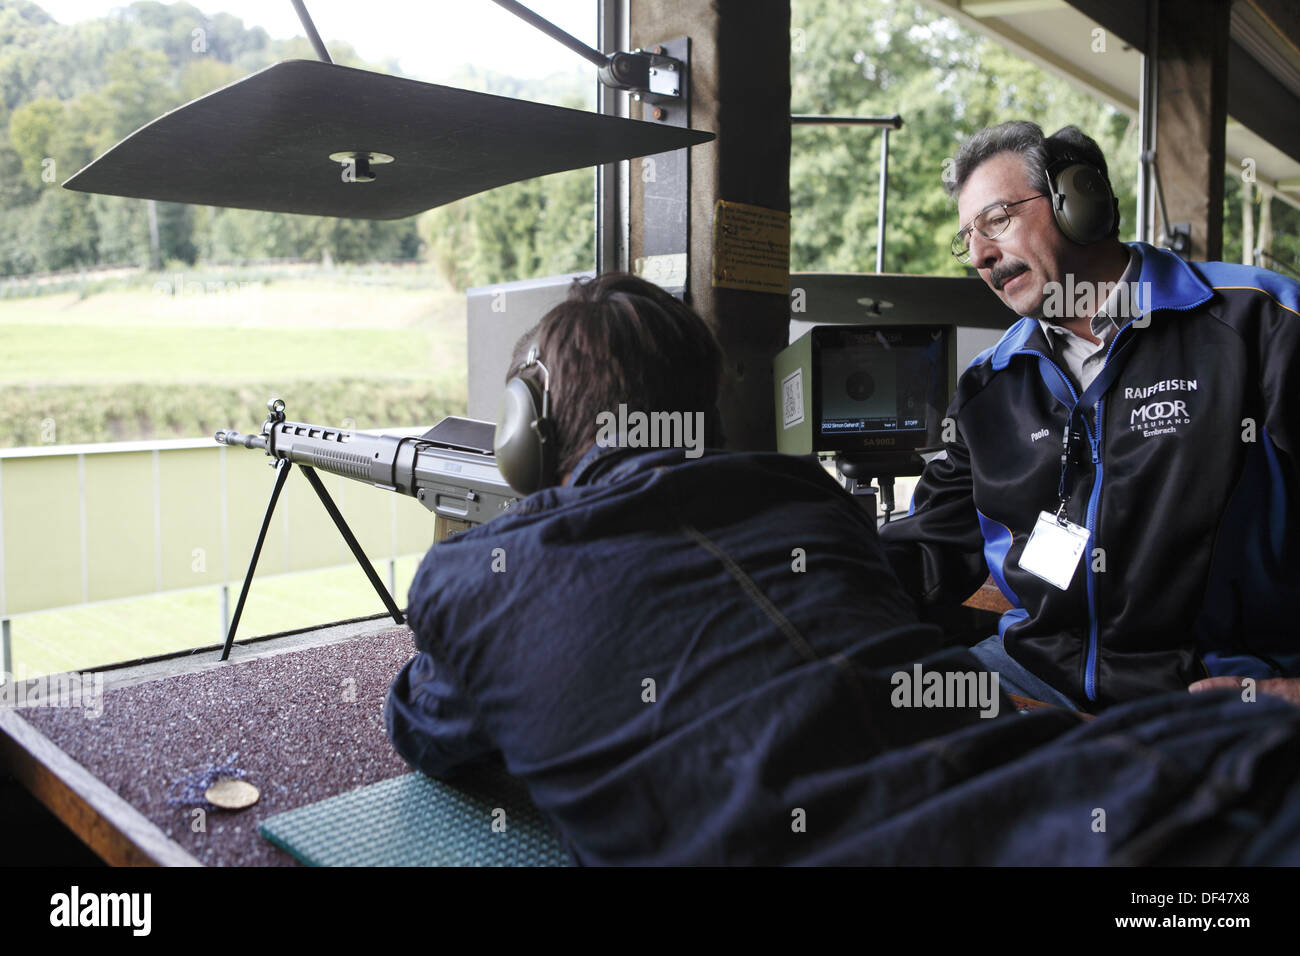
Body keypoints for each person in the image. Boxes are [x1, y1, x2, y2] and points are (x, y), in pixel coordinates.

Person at [879, 120, 1300, 713]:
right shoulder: (988, 387)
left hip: (1215, 695)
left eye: (997, 219)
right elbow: (925, 553)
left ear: (1080, 201)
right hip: (1032, 679)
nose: (979, 254)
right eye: (967, 237)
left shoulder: (1260, 324)